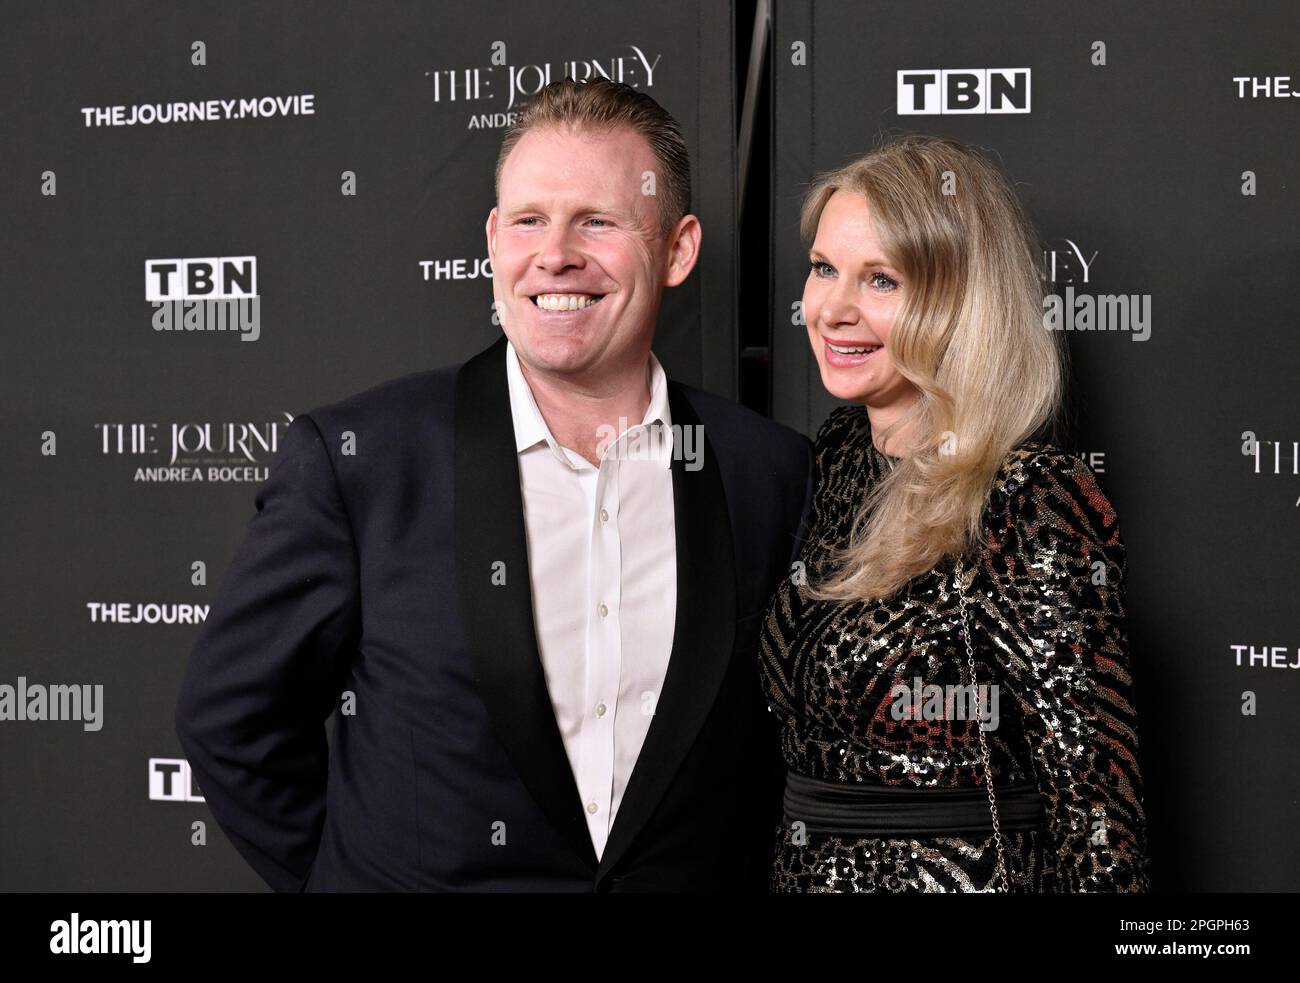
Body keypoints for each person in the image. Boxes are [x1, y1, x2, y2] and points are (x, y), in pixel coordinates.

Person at [176, 79, 813, 892]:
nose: (556, 254)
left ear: (678, 249)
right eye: (529, 220)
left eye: (598, 221)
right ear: (492, 242)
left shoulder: (769, 474)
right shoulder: (363, 460)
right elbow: (230, 720)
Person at [759, 135, 1151, 892]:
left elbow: (1096, 816)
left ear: (960, 301)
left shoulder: (1029, 498)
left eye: (881, 279)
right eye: (823, 268)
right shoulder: (838, 457)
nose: (831, 308)